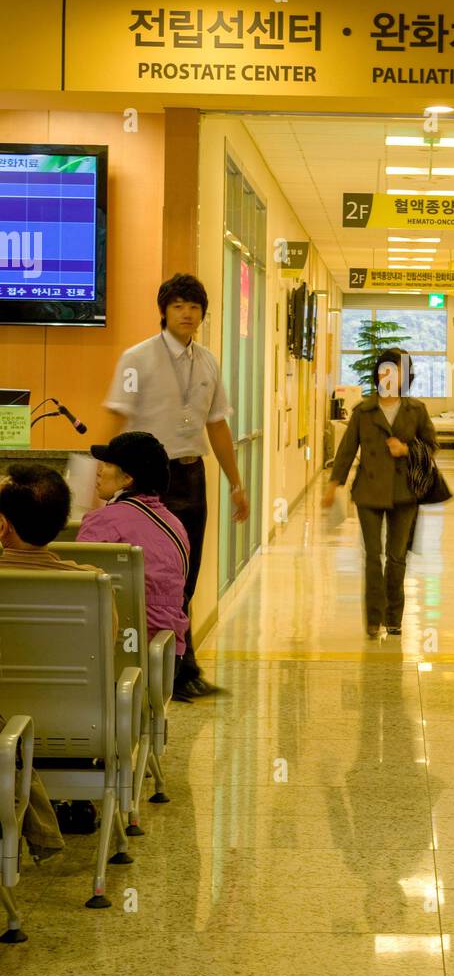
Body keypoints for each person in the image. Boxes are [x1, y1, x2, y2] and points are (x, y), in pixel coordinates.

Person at [103, 273, 249, 700]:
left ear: (203, 314)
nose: (187, 313)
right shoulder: (137, 358)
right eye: (179, 305)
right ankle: (169, 670)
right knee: (153, 578)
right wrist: (105, 473)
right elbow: (117, 415)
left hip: (191, 474)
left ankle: (180, 666)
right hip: (149, 479)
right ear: (164, 311)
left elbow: (217, 424)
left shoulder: (207, 361)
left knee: (187, 574)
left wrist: (236, 483)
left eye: (195, 306)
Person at [0, 464, 117, 860]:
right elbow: (109, 649)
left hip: (5, 740)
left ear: (3, 526)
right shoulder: (92, 584)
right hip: (78, 738)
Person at [323, 349, 437, 638]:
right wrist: (333, 483)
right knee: (373, 556)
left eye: (396, 371)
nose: (389, 375)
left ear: (405, 376)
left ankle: (394, 618)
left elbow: (432, 446)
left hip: (405, 494)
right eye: (385, 370)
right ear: (378, 374)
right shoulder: (364, 411)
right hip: (369, 493)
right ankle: (373, 619)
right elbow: (347, 449)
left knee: (397, 557)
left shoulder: (417, 410)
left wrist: (407, 449)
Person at [76, 431, 191, 693]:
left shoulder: (101, 522)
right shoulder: (175, 524)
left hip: (120, 654)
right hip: (167, 653)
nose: (99, 471)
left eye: (107, 465)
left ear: (127, 478)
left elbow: (78, 591)